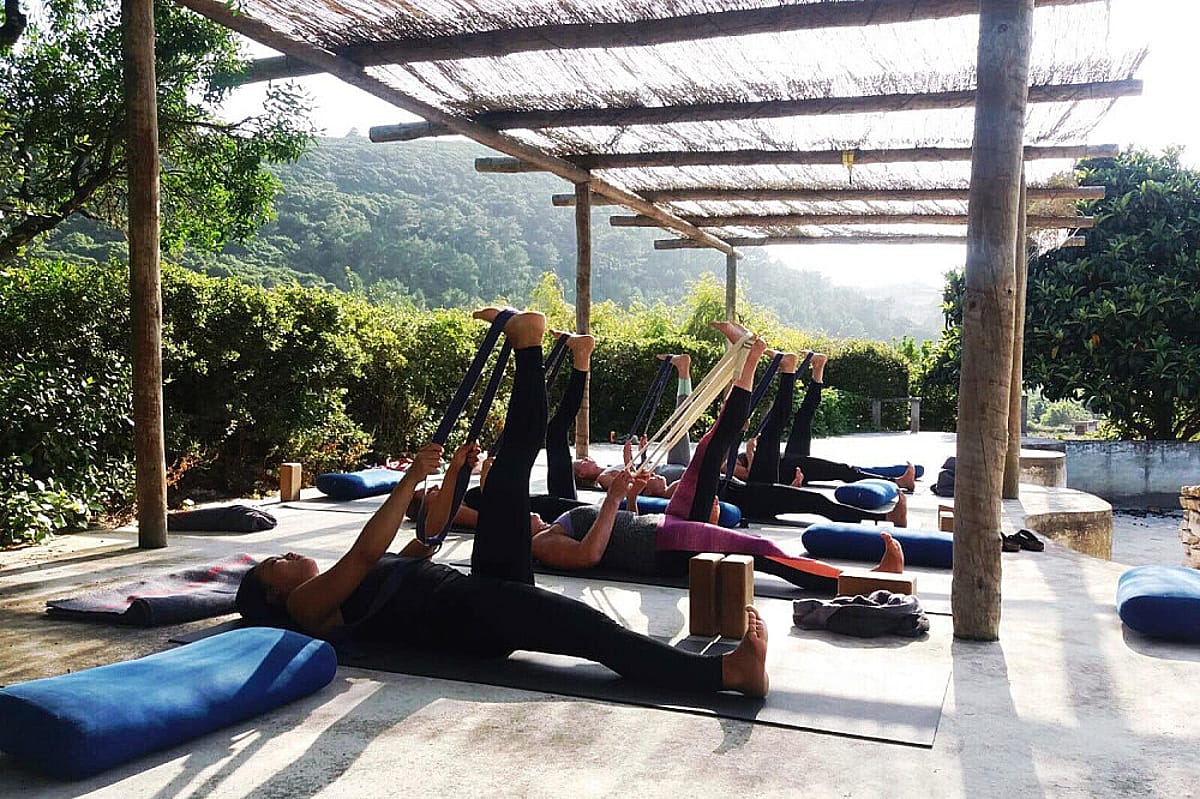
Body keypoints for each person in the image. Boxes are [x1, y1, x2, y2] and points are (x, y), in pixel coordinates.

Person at [236, 308, 769, 697]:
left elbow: (426, 542)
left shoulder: (338, 587)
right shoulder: (304, 608)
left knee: (509, 474)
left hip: (474, 588)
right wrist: (411, 479)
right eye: (274, 563)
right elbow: (364, 553)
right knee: (593, 632)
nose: (286, 554)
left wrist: (454, 477)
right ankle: (726, 674)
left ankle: (528, 345)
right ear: (274, 595)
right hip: (469, 619)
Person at [527, 322, 855, 593]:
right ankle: (849, 583)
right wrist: (613, 499)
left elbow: (617, 534)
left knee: (710, 448)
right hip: (664, 545)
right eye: (519, 516)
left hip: (665, 526)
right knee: (762, 550)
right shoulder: (542, 542)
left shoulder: (553, 528)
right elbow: (588, 555)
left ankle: (746, 356)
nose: (528, 511)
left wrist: (631, 498)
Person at [722, 350, 909, 527]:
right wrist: (750, 452)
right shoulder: (720, 465)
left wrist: (784, 487)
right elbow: (744, 474)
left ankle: (795, 369)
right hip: (759, 493)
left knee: (794, 423)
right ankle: (886, 515)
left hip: (766, 483)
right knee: (819, 498)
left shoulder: (721, 462)